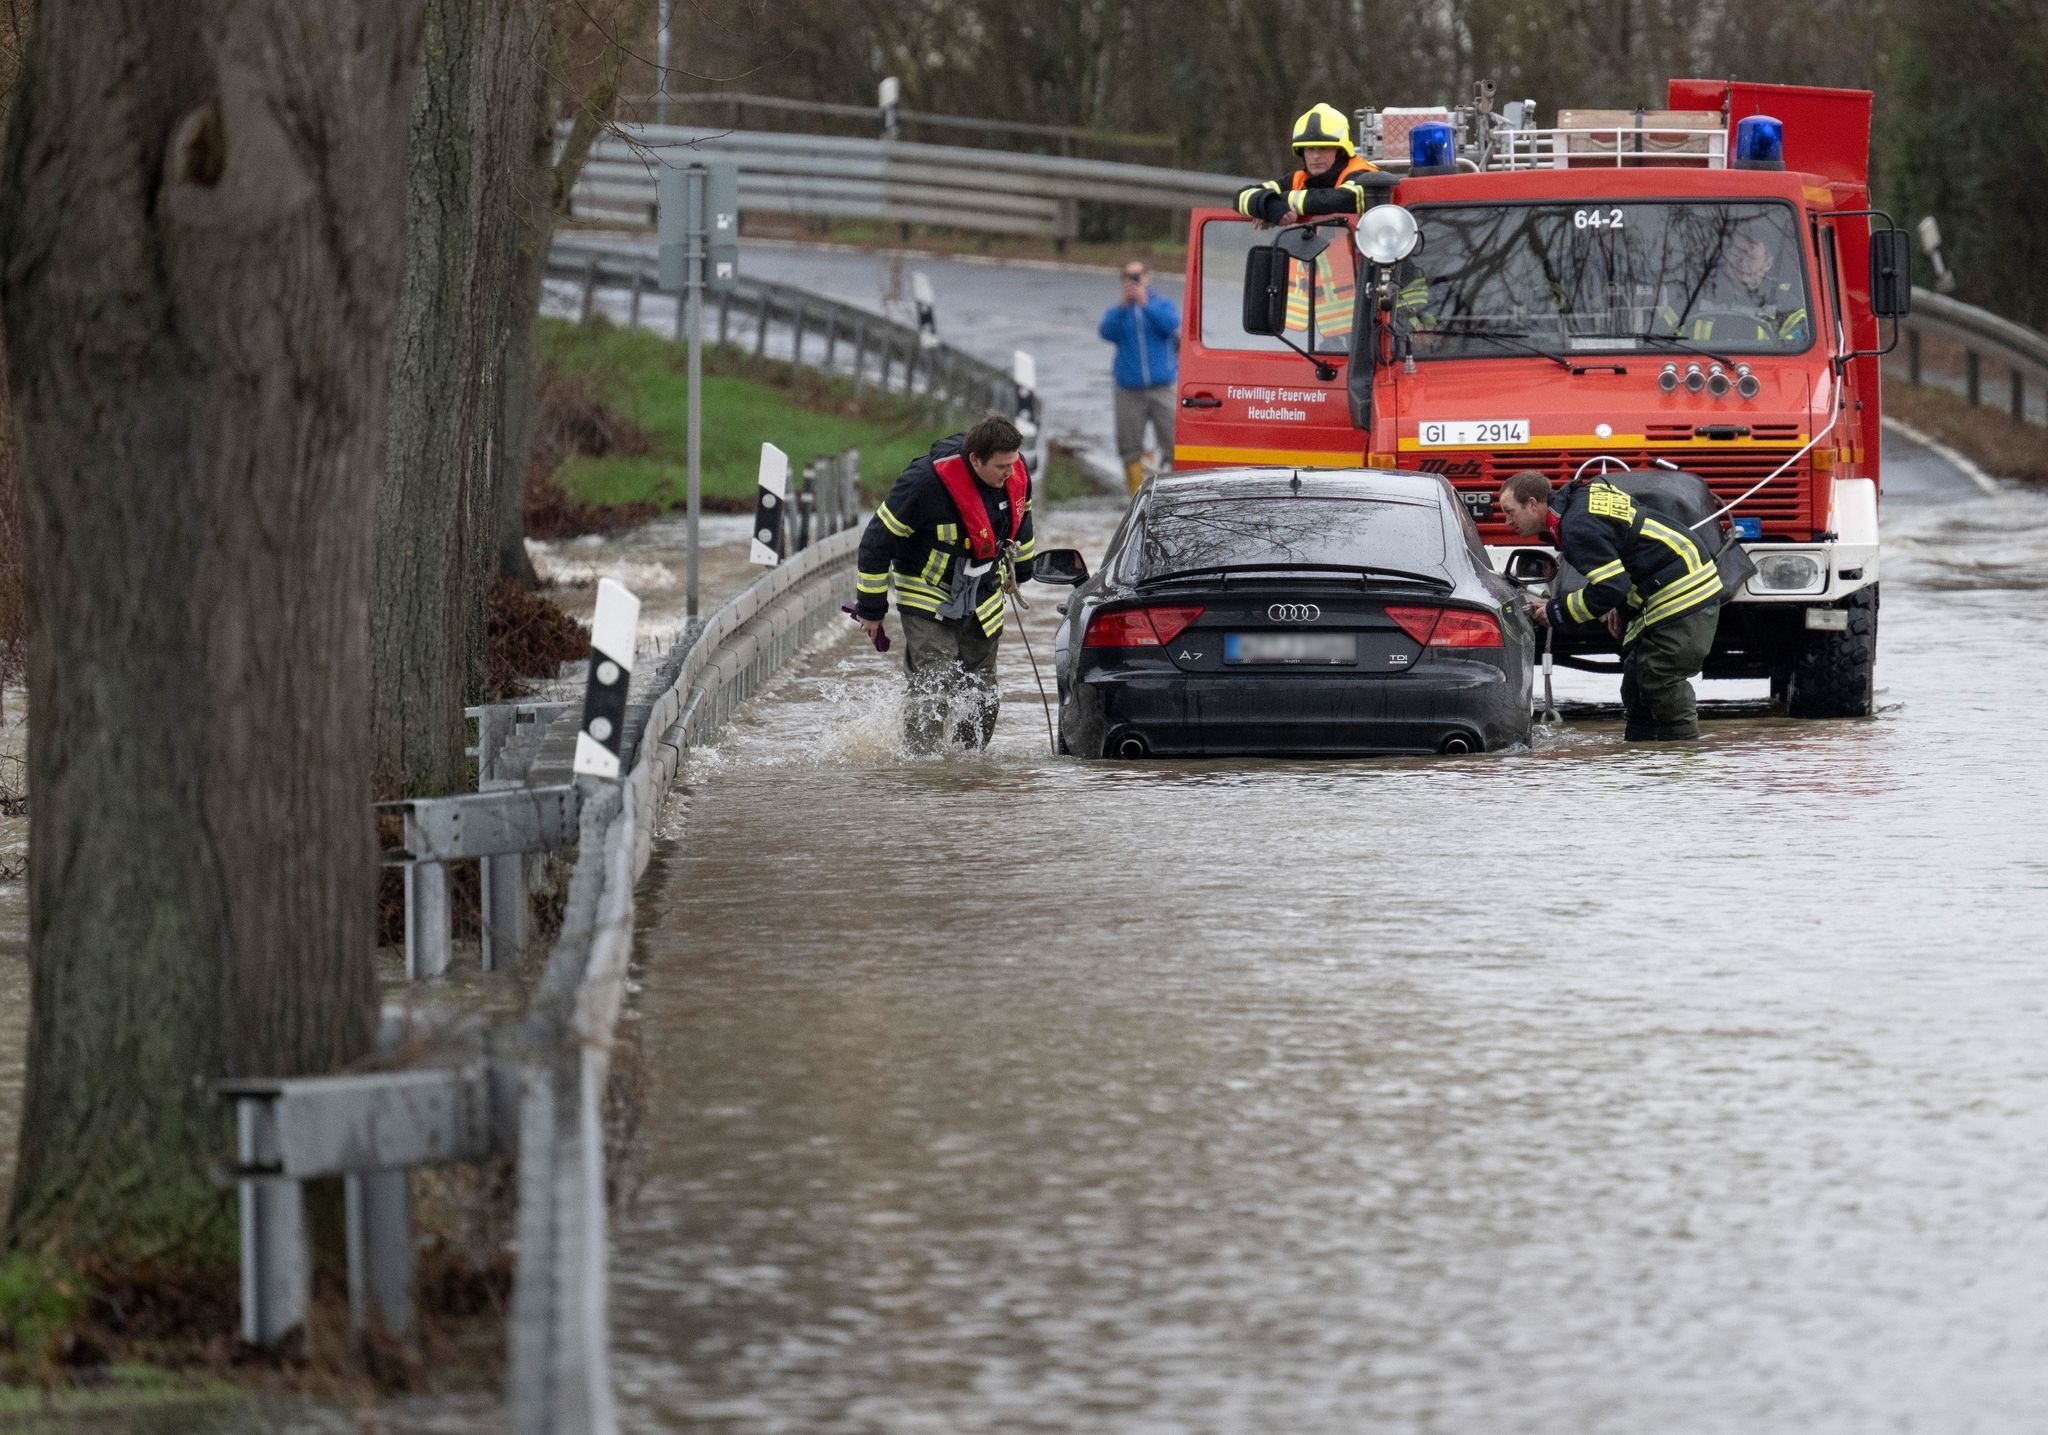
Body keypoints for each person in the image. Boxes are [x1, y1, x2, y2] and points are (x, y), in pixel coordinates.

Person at [1496, 467, 1748, 741]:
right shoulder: (1581, 502)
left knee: (1659, 676)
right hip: (1670, 579)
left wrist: (1556, 612)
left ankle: (1683, 756)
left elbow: (1612, 586)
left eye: (1510, 511)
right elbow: (1624, 562)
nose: (1507, 521)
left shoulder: (1577, 526)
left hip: (1685, 586)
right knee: (1635, 684)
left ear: (1533, 504)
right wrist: (1619, 604)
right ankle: (1640, 760)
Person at [852, 415, 1037, 752]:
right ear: (975, 460)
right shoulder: (923, 483)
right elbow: (876, 542)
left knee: (983, 694)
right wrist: (871, 608)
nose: (1010, 472)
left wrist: (1020, 573)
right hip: (928, 591)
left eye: (1013, 463)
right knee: (935, 684)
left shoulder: (1015, 471)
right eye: (1001, 466)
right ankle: (924, 770)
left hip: (983, 592)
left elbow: (1022, 523)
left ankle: (967, 768)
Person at [1235, 103, 1379, 348]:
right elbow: (1242, 197)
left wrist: (1280, 202)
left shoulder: (1365, 176)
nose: (1315, 155)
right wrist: (1270, 206)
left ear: (1341, 150)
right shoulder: (1299, 180)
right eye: (1309, 148)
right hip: (1315, 330)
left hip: (1368, 315)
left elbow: (1341, 199)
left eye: (1324, 148)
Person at [1098, 260, 1180, 494]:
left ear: (1147, 277)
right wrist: (1125, 307)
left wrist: (1145, 304)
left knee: (1173, 442)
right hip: (1128, 389)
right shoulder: (1118, 312)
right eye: (1127, 277)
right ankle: (1134, 497)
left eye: (1137, 276)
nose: (1132, 281)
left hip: (1162, 386)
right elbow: (1106, 332)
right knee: (1129, 445)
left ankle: (1173, 493)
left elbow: (1170, 326)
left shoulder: (1162, 305)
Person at [1667, 233, 1809, 345]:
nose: (1742, 263)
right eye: (1737, 254)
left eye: (1751, 257)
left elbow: (1797, 350)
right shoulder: (1695, 295)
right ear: (1725, 255)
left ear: (1768, 264)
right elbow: (1663, 338)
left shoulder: (1786, 306)